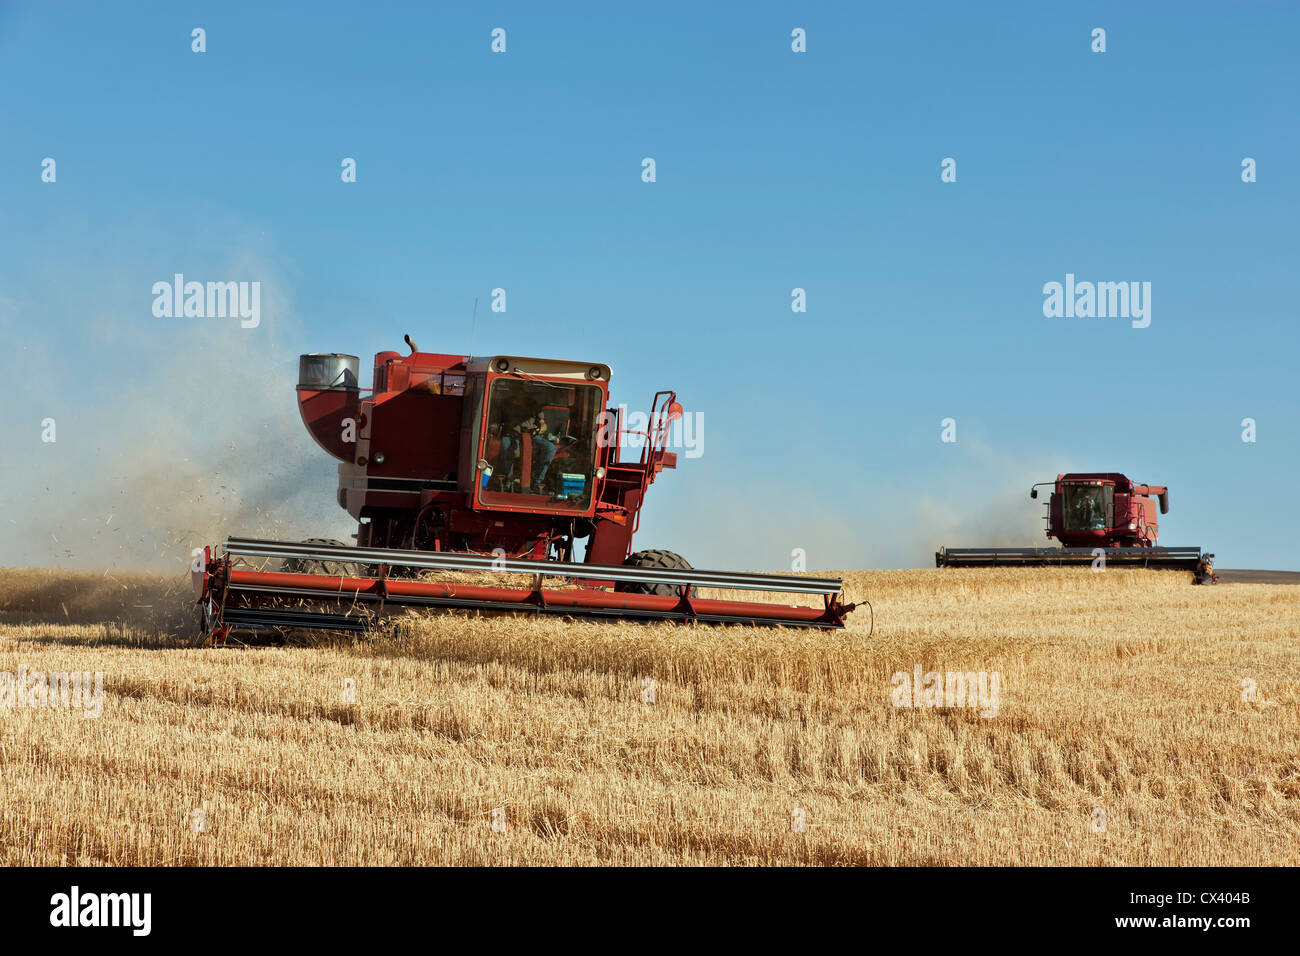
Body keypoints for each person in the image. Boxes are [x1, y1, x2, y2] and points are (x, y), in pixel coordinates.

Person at [496, 396, 556, 492]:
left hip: (533, 436)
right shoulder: (507, 403)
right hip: (512, 435)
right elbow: (496, 422)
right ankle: (508, 479)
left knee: (551, 448)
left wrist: (541, 429)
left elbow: (543, 423)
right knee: (505, 445)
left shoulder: (534, 404)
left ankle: (537, 481)